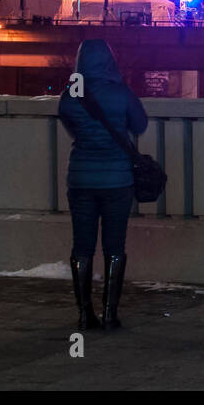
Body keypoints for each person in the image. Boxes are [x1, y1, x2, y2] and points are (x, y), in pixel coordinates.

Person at [57, 40, 147, 332]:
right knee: (114, 246)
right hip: (117, 179)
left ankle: (85, 314)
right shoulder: (121, 93)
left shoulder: (72, 93)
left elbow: (70, 124)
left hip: (81, 178)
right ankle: (110, 313)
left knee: (82, 247)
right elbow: (140, 123)